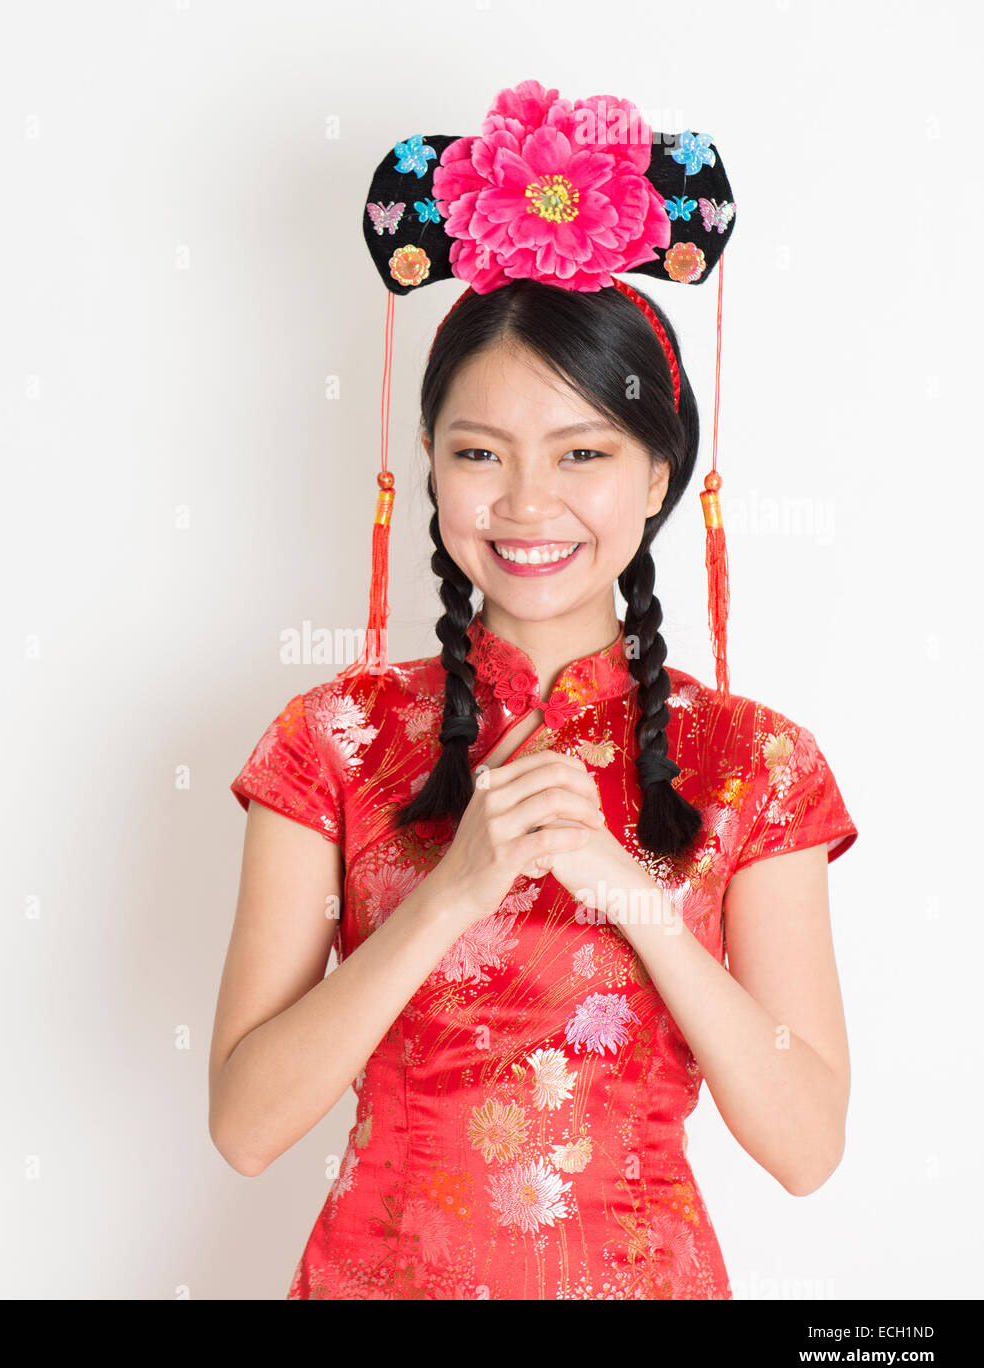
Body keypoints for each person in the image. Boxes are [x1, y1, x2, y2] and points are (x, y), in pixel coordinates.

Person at [209, 80, 858, 1300]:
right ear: (428, 468)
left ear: (660, 470)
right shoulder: (332, 739)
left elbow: (806, 1142)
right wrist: (451, 893)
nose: (524, 503)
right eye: (477, 453)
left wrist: (630, 890)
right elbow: (245, 1125)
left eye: (581, 454)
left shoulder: (756, 766)